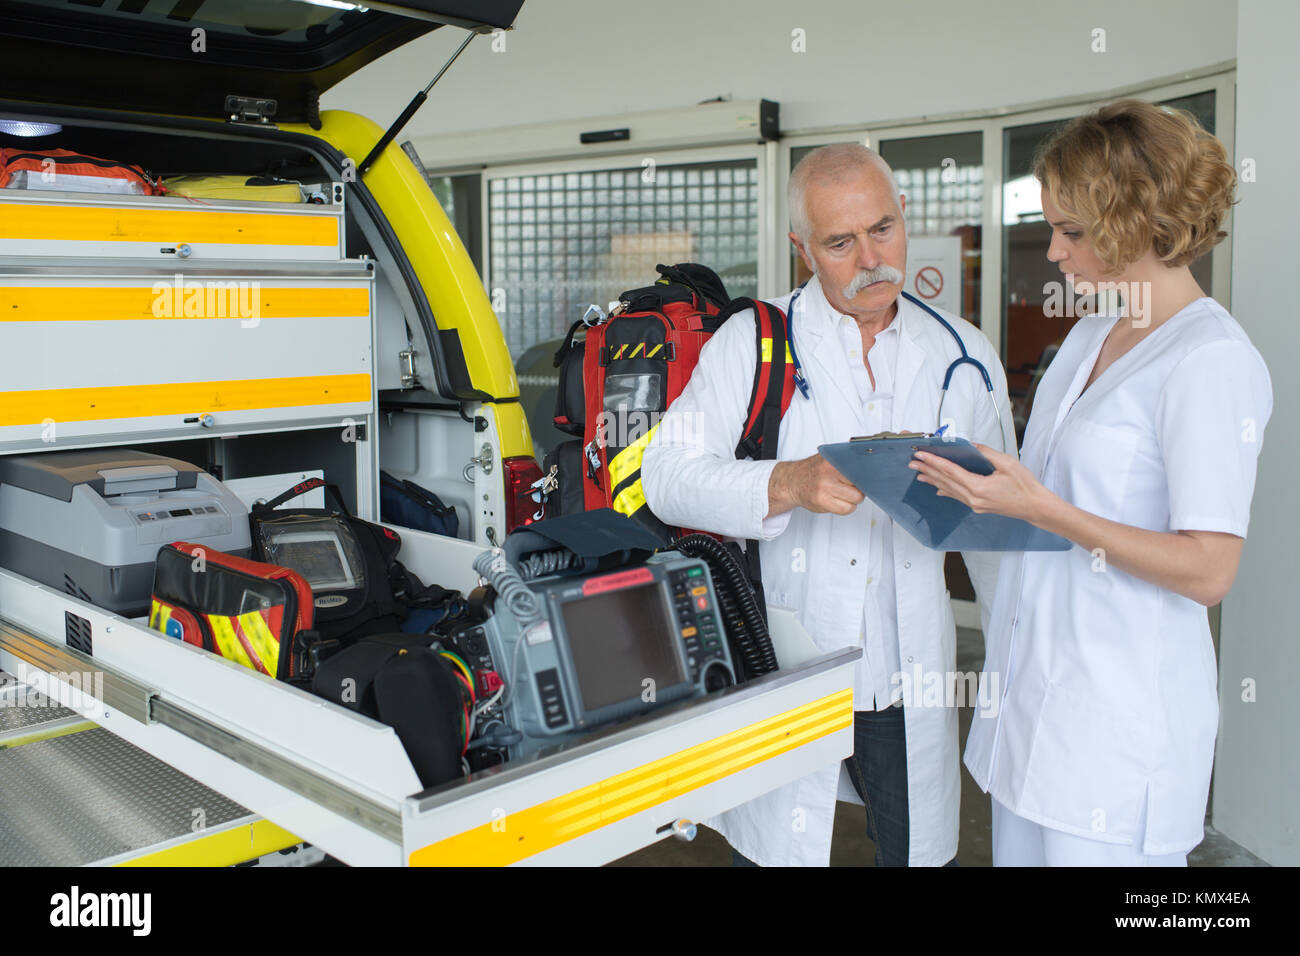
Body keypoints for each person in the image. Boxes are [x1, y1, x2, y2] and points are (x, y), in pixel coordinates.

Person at [911, 99, 1273, 866]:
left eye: (1072, 231)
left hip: (1118, 737)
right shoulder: (1085, 338)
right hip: (1031, 710)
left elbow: (1210, 569)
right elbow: (1049, 502)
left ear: (1141, 219)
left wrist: (1042, 505)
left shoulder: (1210, 360)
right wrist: (978, 482)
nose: (1053, 252)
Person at [640, 144, 1014, 866]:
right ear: (802, 249)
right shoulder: (751, 341)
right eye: (840, 243)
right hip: (790, 660)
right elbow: (666, 475)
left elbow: (996, 529)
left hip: (908, 672)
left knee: (915, 853)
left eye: (882, 229)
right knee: (784, 850)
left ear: (903, 215)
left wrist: (1012, 660)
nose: (871, 258)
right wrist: (787, 483)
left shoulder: (963, 354)